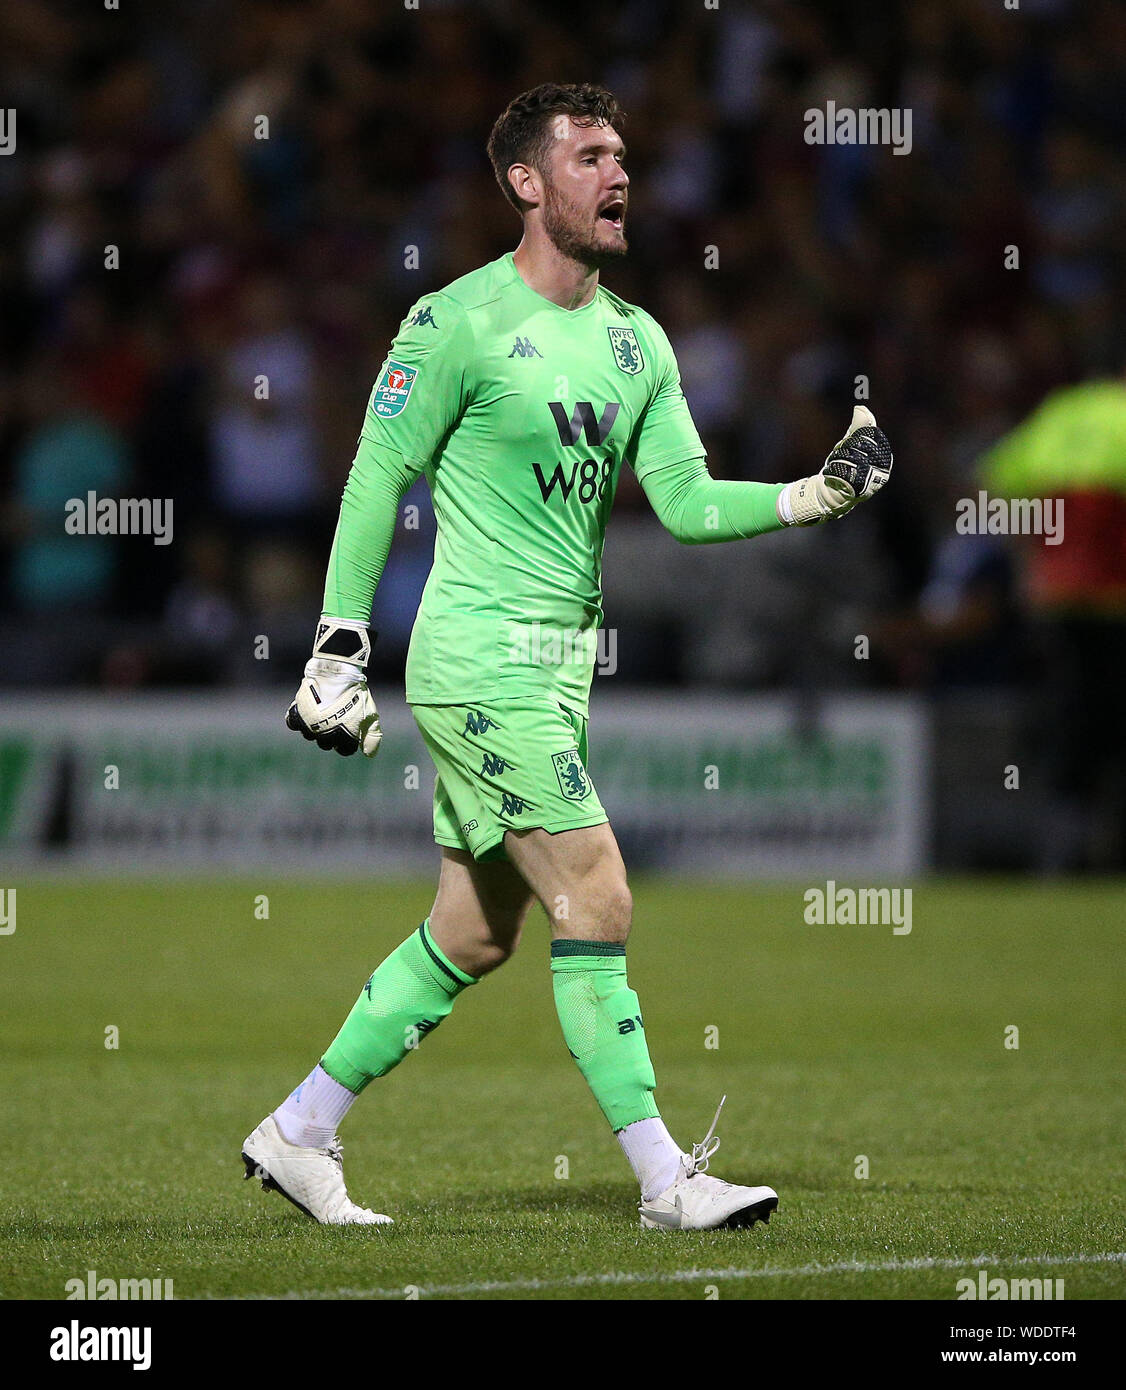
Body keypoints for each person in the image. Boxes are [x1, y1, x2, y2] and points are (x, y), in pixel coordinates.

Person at [243, 83, 892, 1230]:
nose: (618, 174)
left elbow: (684, 504)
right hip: (476, 658)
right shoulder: (453, 323)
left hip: (558, 671)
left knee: (476, 932)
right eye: (590, 155)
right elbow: (373, 477)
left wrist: (810, 491)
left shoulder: (637, 341)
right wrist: (339, 648)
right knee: (595, 892)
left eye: (623, 155)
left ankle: (299, 1131)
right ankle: (664, 1184)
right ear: (527, 183)